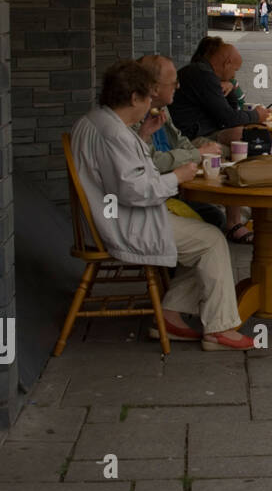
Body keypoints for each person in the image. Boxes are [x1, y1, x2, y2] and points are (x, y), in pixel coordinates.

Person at [71, 60, 255, 351]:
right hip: (125, 223)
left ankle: (169, 316)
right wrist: (177, 177)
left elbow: (124, 172)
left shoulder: (97, 121)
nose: (149, 104)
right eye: (146, 97)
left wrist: (143, 136)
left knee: (201, 233)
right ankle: (219, 327)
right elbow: (137, 190)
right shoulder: (115, 134)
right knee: (211, 241)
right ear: (134, 98)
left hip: (109, 217)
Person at [137, 55, 254, 244]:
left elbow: (179, 139)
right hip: (162, 191)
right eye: (174, 82)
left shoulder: (162, 108)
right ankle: (232, 220)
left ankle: (234, 217)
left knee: (228, 153)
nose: (178, 86)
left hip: (175, 174)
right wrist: (196, 154)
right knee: (214, 227)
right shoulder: (135, 117)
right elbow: (153, 162)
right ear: (155, 88)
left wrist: (200, 153)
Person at [172, 41, 272, 144]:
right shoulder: (203, 75)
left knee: (245, 134)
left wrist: (230, 87)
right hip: (190, 139)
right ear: (227, 63)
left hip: (200, 131)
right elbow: (229, 119)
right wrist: (256, 115)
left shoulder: (205, 72)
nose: (234, 75)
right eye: (235, 70)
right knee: (248, 142)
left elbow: (232, 109)